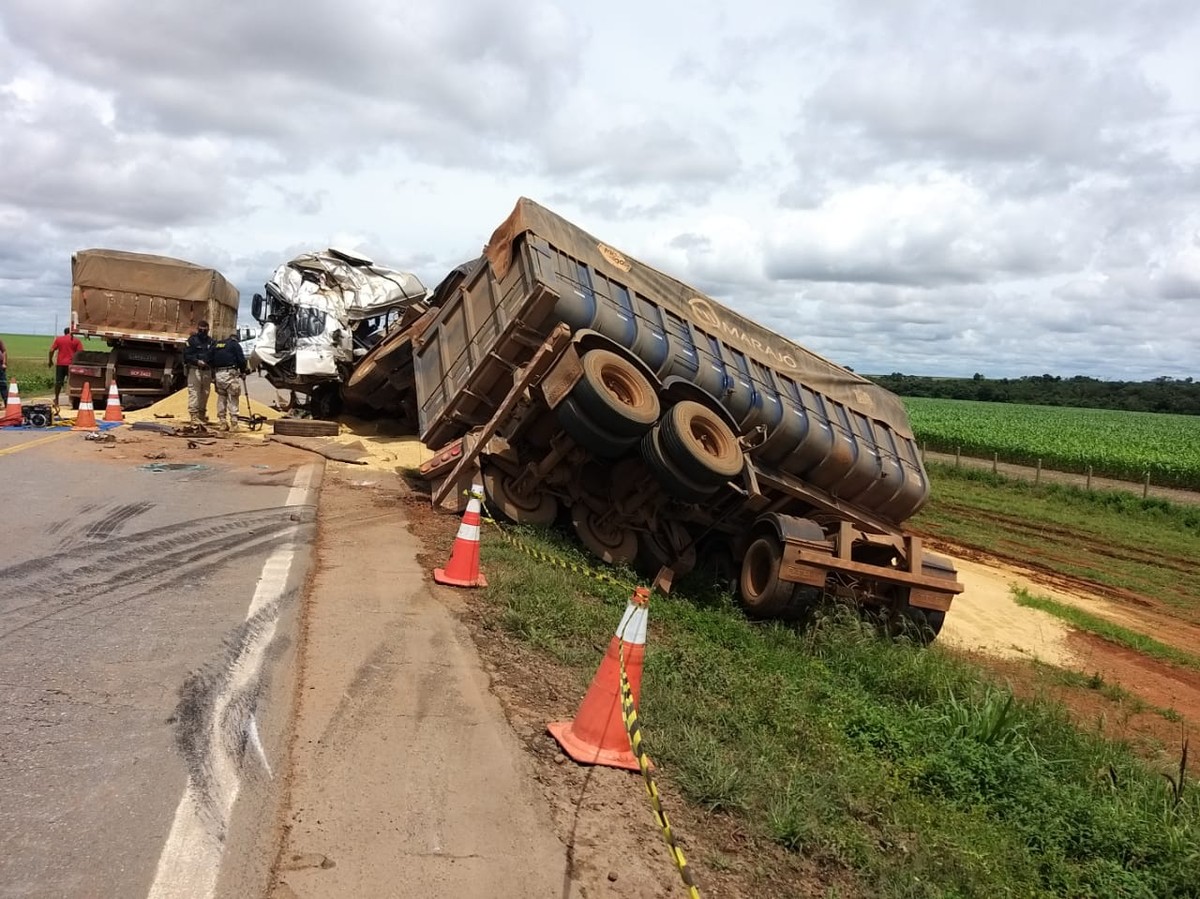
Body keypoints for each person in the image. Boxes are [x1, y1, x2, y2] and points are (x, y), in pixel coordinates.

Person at [210, 331, 250, 431]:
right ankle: (234, 423)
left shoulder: (217, 344)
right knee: (233, 397)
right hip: (230, 373)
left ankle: (222, 422)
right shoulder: (234, 345)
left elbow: (209, 358)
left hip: (218, 374)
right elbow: (241, 359)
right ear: (237, 338)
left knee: (221, 397)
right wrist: (243, 371)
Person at [184, 320, 215, 424]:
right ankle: (194, 416)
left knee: (205, 393)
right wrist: (197, 361)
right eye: (201, 330)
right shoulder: (192, 340)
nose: (203, 332)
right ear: (198, 329)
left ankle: (202, 415)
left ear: (208, 330)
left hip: (207, 370)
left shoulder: (211, 342)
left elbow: (214, 355)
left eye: (205, 330)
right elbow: (186, 355)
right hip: (195, 369)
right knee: (194, 393)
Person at [47, 328, 84, 406]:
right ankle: (71, 400)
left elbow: (51, 350)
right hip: (71, 364)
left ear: (64, 332)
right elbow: (80, 352)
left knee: (58, 382)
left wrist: (50, 360)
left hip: (60, 364)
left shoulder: (59, 339)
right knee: (71, 382)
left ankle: (56, 399)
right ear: (72, 333)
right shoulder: (76, 340)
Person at [0, 336, 8, 403]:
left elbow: (4, 351)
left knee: (3, 385)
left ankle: (6, 402)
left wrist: (4, 363)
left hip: (0, 366)